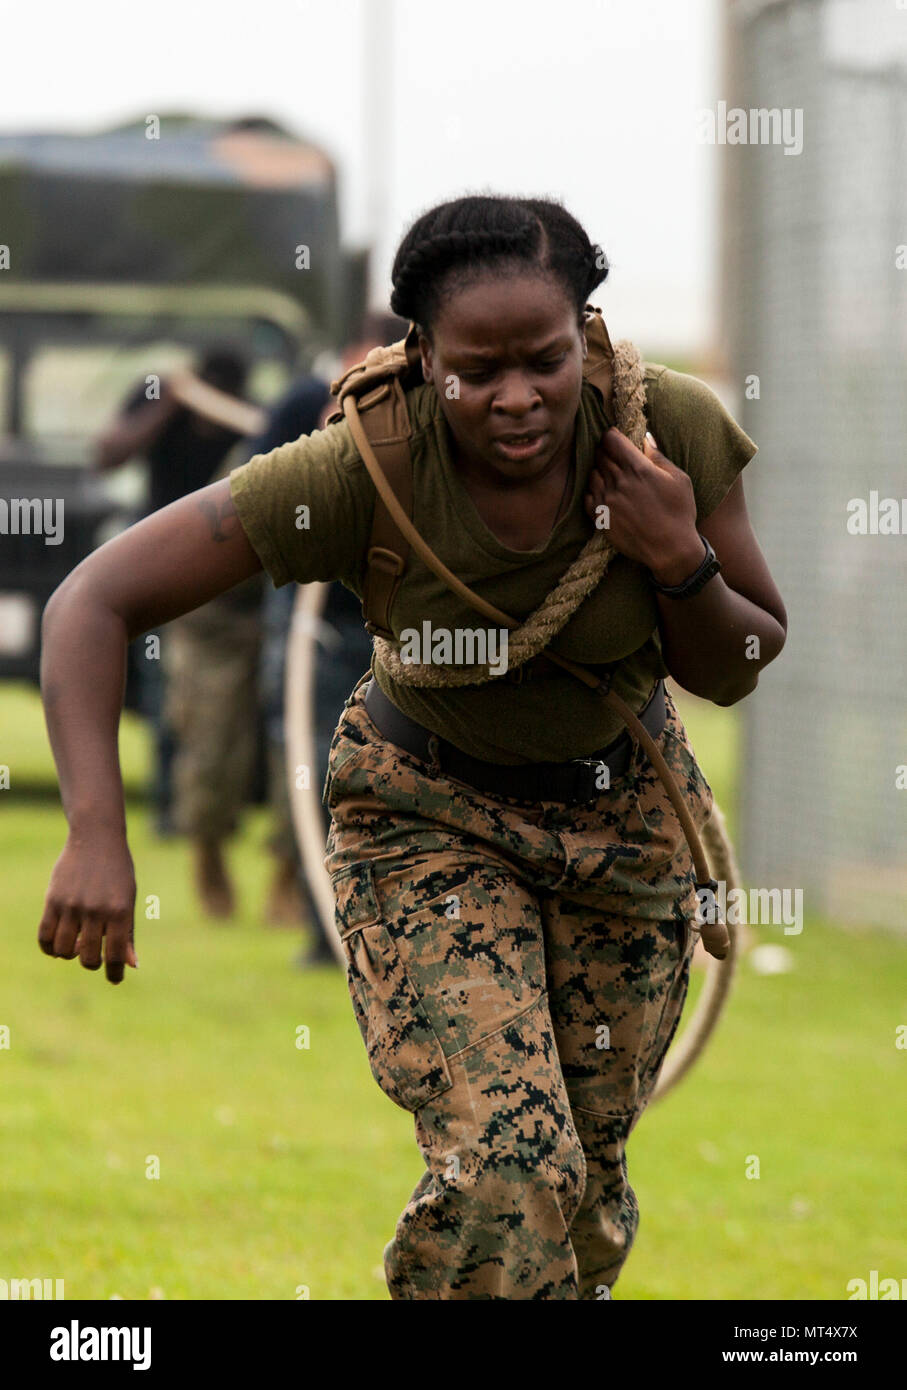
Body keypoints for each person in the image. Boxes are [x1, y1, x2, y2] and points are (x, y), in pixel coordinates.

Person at [38, 194, 787, 1300]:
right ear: (420, 353)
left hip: (620, 830)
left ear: (585, 329)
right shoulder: (364, 466)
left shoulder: (662, 431)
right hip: (429, 821)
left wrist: (678, 557)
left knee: (581, 1190)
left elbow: (739, 661)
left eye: (542, 359)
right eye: (475, 369)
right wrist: (96, 832)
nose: (515, 396)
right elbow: (94, 599)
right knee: (507, 1166)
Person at [94, 346, 251, 837]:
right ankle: (169, 811)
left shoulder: (243, 418)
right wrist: (168, 401)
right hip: (157, 575)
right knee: (165, 700)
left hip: (218, 588)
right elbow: (107, 454)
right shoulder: (160, 396)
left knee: (222, 710)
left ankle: (211, 814)